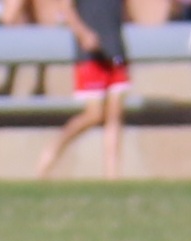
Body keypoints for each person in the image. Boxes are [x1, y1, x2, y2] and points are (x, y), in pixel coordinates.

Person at [32, 0, 126, 182]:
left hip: (115, 48)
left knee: (115, 114)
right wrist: (83, 34)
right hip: (89, 55)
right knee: (94, 114)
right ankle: (53, 148)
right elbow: (65, 8)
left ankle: (112, 176)